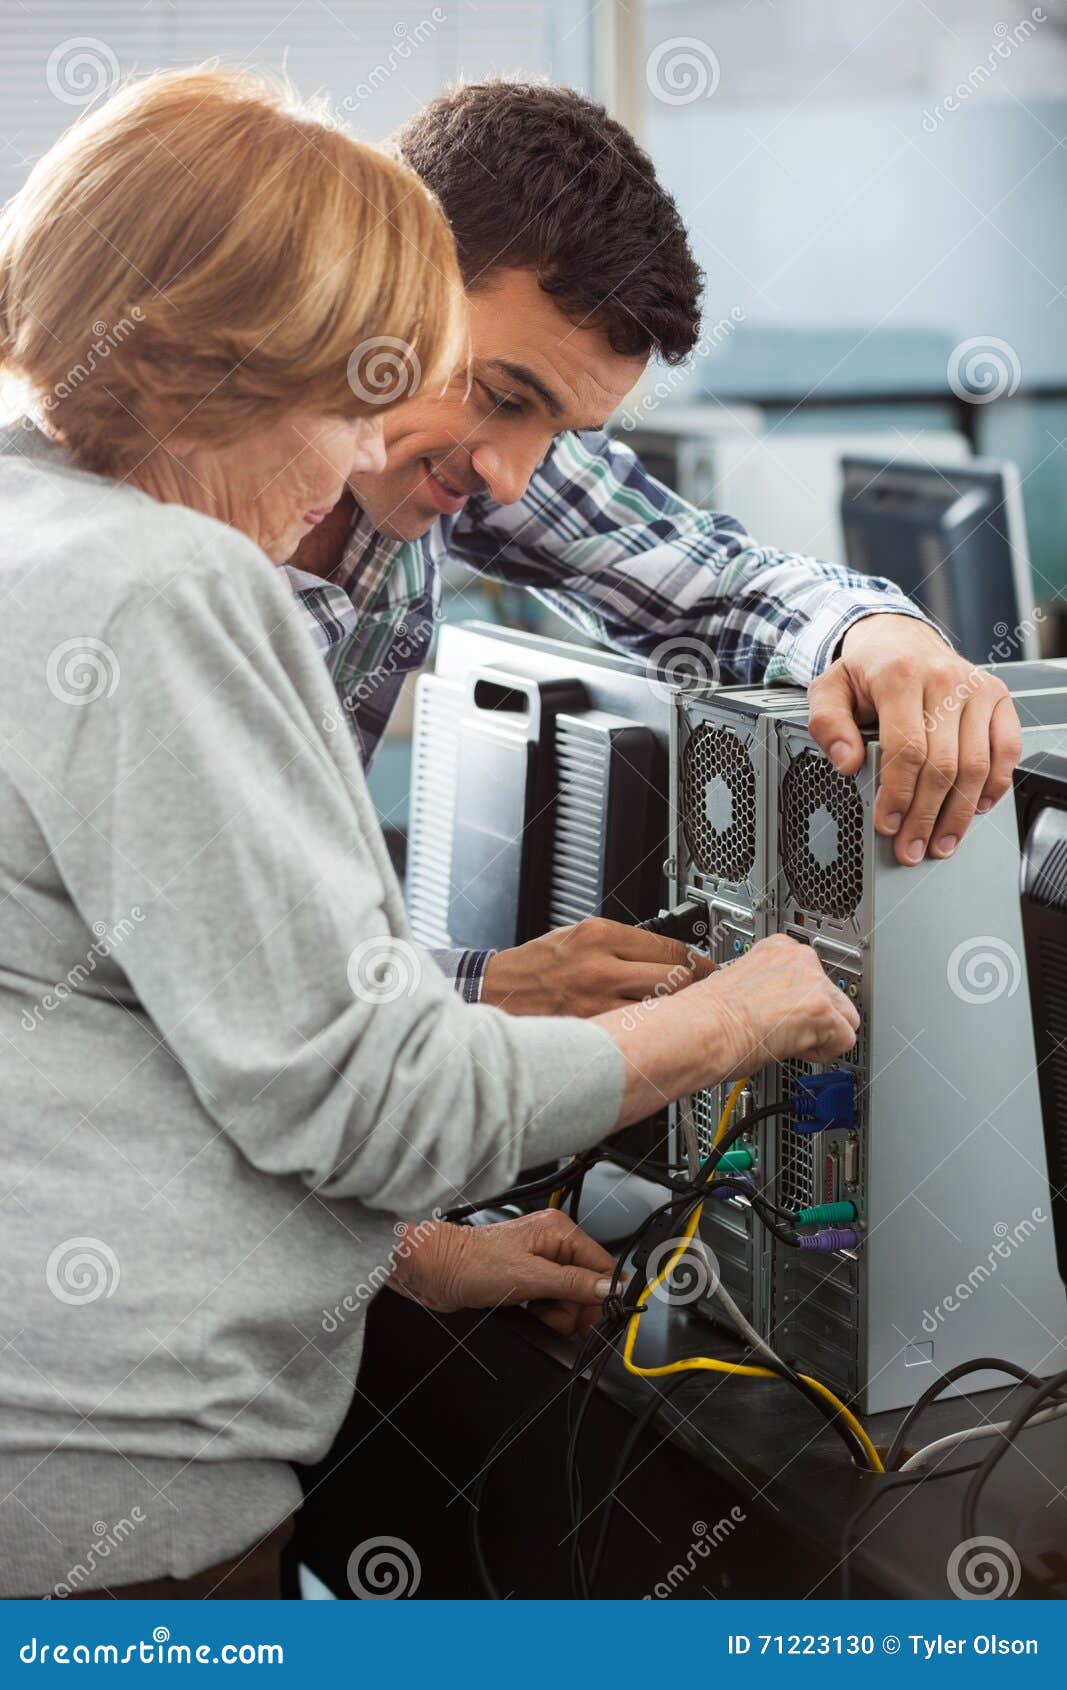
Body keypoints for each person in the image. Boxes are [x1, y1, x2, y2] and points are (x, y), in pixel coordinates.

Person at [0, 66, 857, 1599]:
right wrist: (734, 1016)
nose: (355, 462)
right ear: (235, 345)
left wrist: (392, 1251)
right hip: (98, 1492)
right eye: (346, 393)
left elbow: (116, 1037)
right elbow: (370, 1094)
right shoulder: (166, 587)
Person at [288, 80, 1024, 1016]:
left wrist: (874, 633)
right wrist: (494, 992)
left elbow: (708, 585)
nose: (513, 479)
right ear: (377, 273)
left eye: (555, 431)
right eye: (506, 397)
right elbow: (208, 977)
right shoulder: (151, 520)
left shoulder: (432, 439)